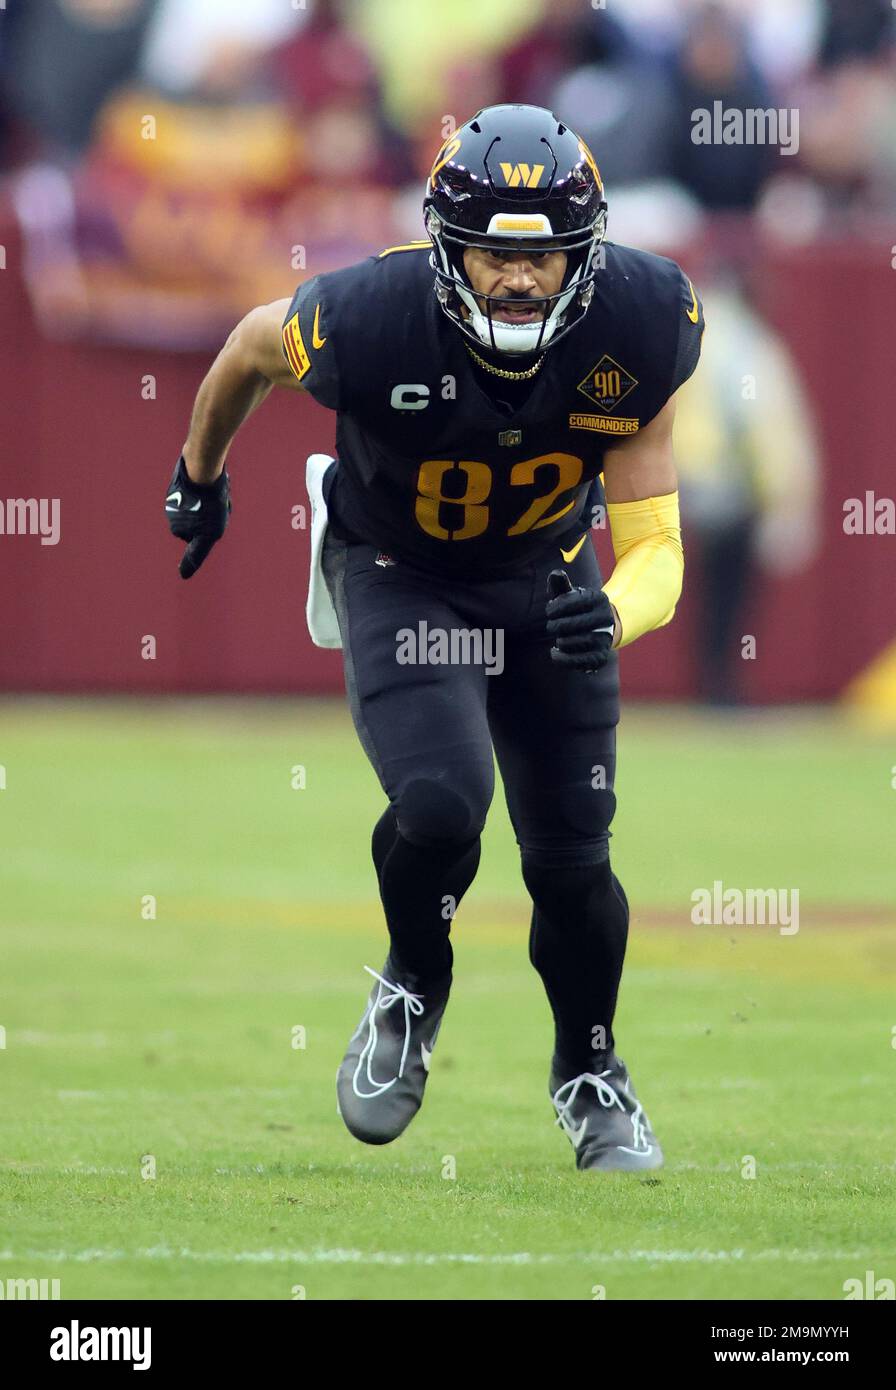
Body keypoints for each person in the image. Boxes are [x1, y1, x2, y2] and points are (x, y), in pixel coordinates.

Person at [164, 105, 703, 1172]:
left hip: (544, 581)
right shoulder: (365, 315)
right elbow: (243, 350)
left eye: (540, 254)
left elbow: (656, 548)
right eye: (491, 254)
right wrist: (198, 475)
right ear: (446, 247)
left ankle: (589, 1069)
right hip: (399, 573)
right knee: (443, 802)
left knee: (571, 863)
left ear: (582, 255)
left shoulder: (639, 324)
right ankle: (414, 974)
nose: (514, 279)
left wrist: (613, 608)